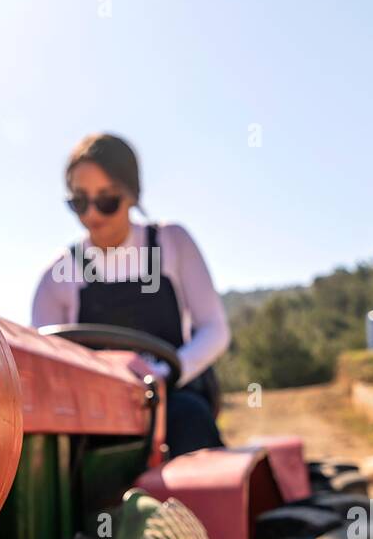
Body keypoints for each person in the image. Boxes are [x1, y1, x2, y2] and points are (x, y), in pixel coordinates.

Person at [31, 133, 229, 457]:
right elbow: (46, 358)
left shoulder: (170, 242)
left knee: (191, 421)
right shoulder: (57, 274)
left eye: (106, 200)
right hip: (92, 414)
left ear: (132, 195)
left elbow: (214, 329)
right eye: (80, 202)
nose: (92, 215)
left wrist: (165, 375)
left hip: (172, 399)